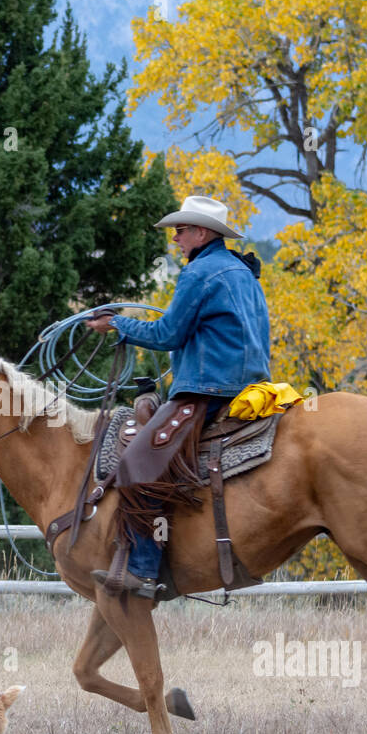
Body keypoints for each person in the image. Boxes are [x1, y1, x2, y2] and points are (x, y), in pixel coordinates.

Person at [84, 194, 272, 598]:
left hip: (210, 389)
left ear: (202, 232)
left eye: (181, 230)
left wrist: (116, 324)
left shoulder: (199, 273)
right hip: (254, 387)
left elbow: (166, 333)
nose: (176, 239)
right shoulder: (241, 271)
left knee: (137, 462)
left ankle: (142, 568)